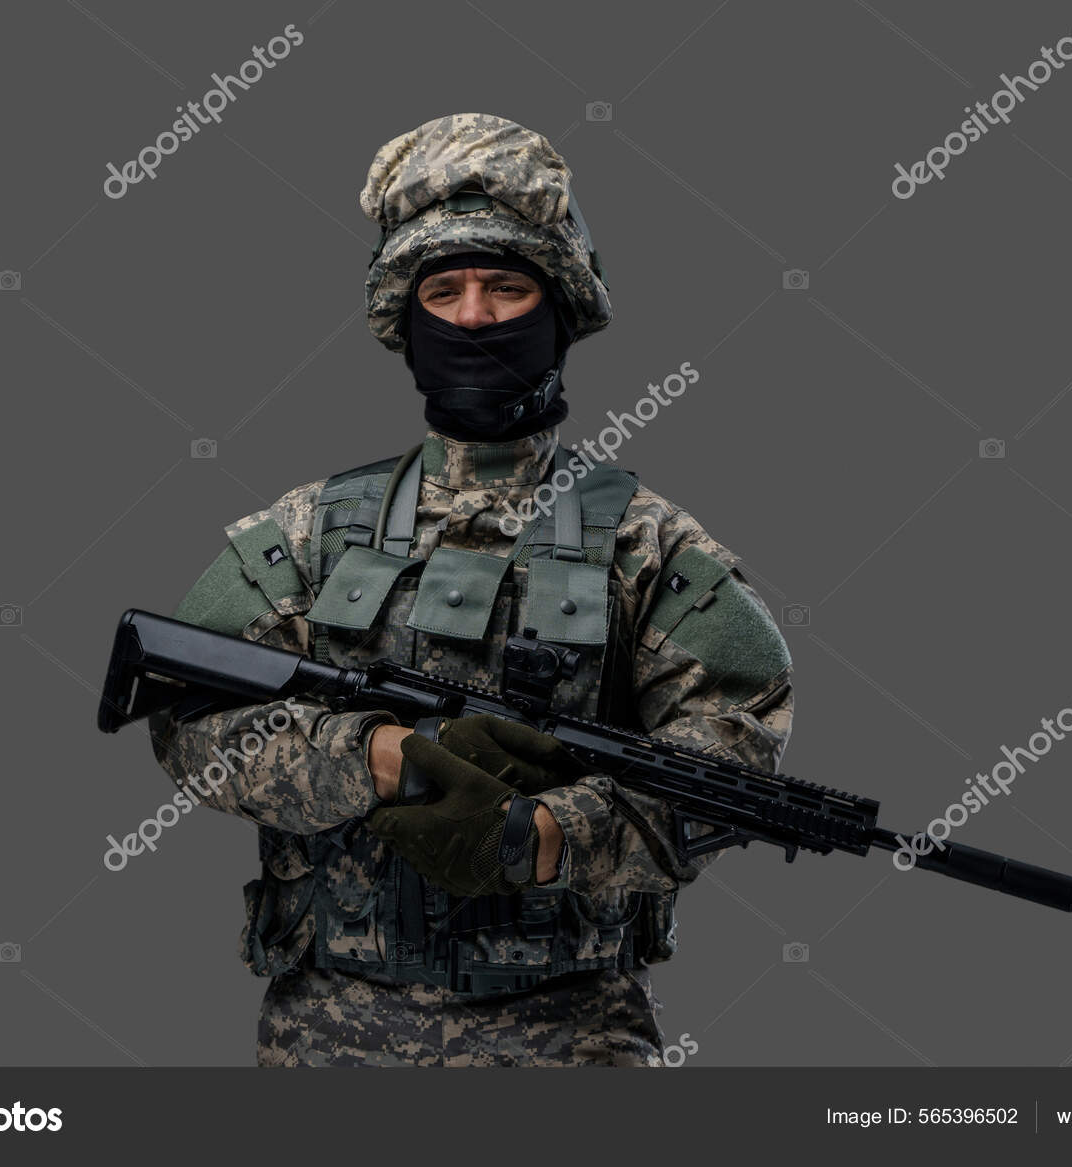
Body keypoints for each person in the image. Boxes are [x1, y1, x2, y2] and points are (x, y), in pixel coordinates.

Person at [148, 112, 795, 1066]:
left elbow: (733, 761)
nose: (477, 316)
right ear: (404, 318)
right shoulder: (308, 533)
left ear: (560, 304)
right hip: (332, 1030)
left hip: (573, 1031)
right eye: (442, 290)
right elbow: (191, 723)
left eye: (506, 285)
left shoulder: (645, 544)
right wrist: (377, 756)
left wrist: (547, 834)